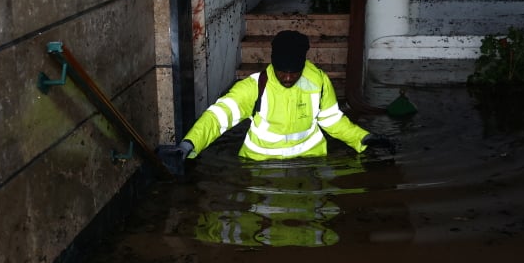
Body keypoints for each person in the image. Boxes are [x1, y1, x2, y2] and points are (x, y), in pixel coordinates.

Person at [167, 30, 393, 166]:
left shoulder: (319, 82)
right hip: (259, 167)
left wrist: (365, 139)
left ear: (303, 65)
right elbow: (218, 117)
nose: (287, 77)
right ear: (272, 63)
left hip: (309, 163)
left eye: (294, 71)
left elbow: (333, 121)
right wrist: (188, 145)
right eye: (281, 70)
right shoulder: (255, 87)